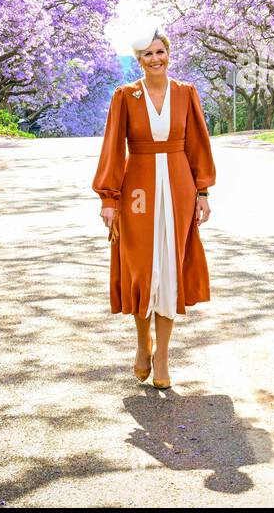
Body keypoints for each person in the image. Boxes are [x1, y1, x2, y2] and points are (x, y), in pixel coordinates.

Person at [93, 27, 216, 390]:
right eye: (147, 54)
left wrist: (203, 192)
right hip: (138, 193)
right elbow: (114, 148)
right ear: (139, 60)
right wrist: (108, 199)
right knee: (142, 269)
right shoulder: (125, 96)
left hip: (179, 189)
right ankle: (141, 343)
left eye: (160, 51)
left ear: (169, 54)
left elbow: (197, 144)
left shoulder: (185, 93)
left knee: (170, 270)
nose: (155, 59)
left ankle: (162, 354)